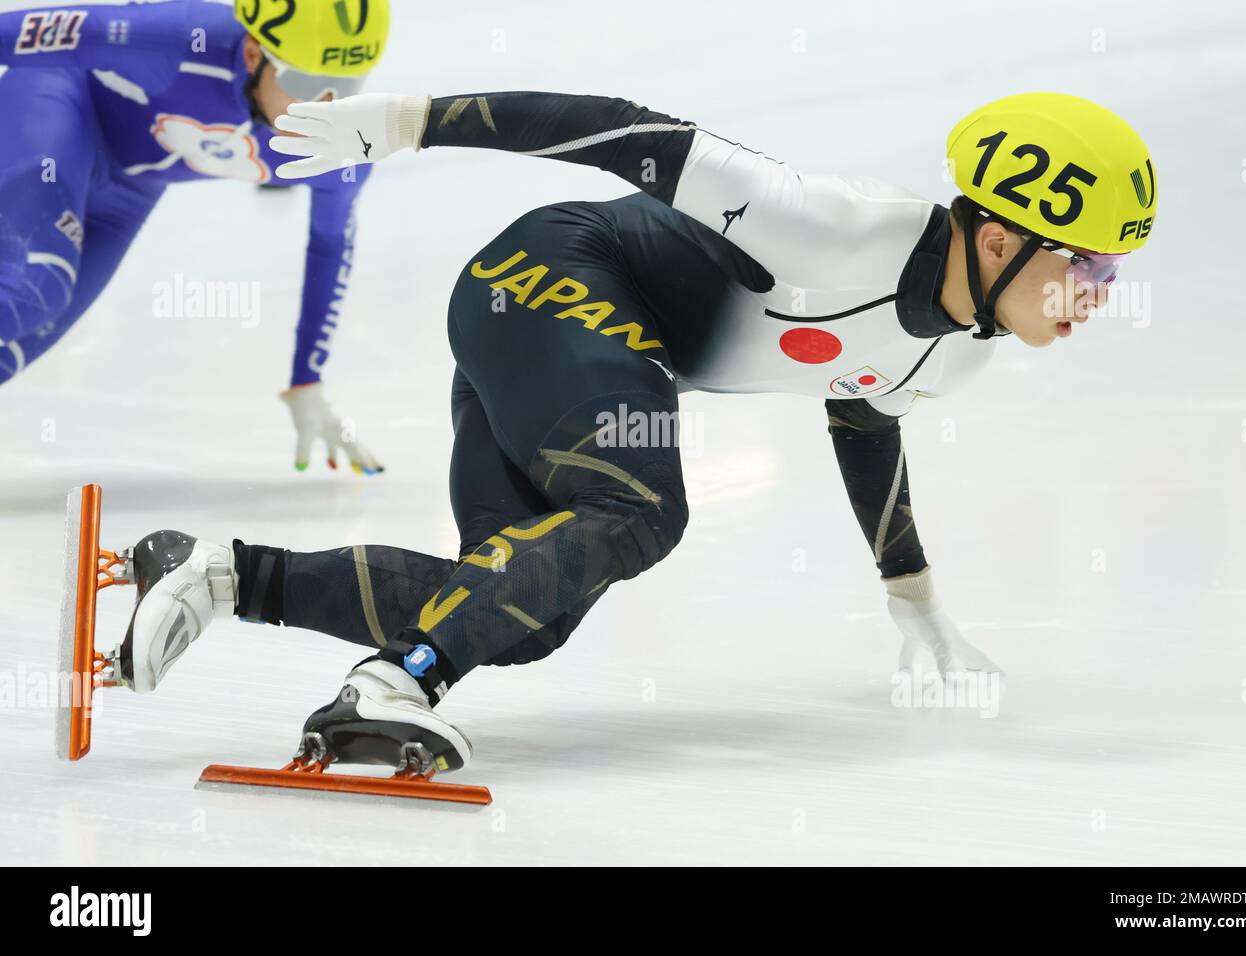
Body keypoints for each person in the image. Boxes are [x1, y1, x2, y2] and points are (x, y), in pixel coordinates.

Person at [110, 89, 1157, 775]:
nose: (1098, 296)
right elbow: (636, 138)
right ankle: (390, 685)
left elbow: (863, 414)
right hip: (553, 277)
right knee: (639, 507)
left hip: (557, 354)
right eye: (1091, 269)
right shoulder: (837, 224)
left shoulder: (962, 347)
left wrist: (911, 596)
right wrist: (413, 122)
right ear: (1000, 235)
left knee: (523, 611)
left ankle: (216, 573)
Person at [0, 0, 389, 474]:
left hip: (129, 190)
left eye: (348, 87)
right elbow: (28, 32)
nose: (328, 106)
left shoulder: (341, 150)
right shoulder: (183, 40)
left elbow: (331, 247)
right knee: (35, 289)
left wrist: (307, 379)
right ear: (252, 53)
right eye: (305, 84)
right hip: (59, 99)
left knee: (13, 348)